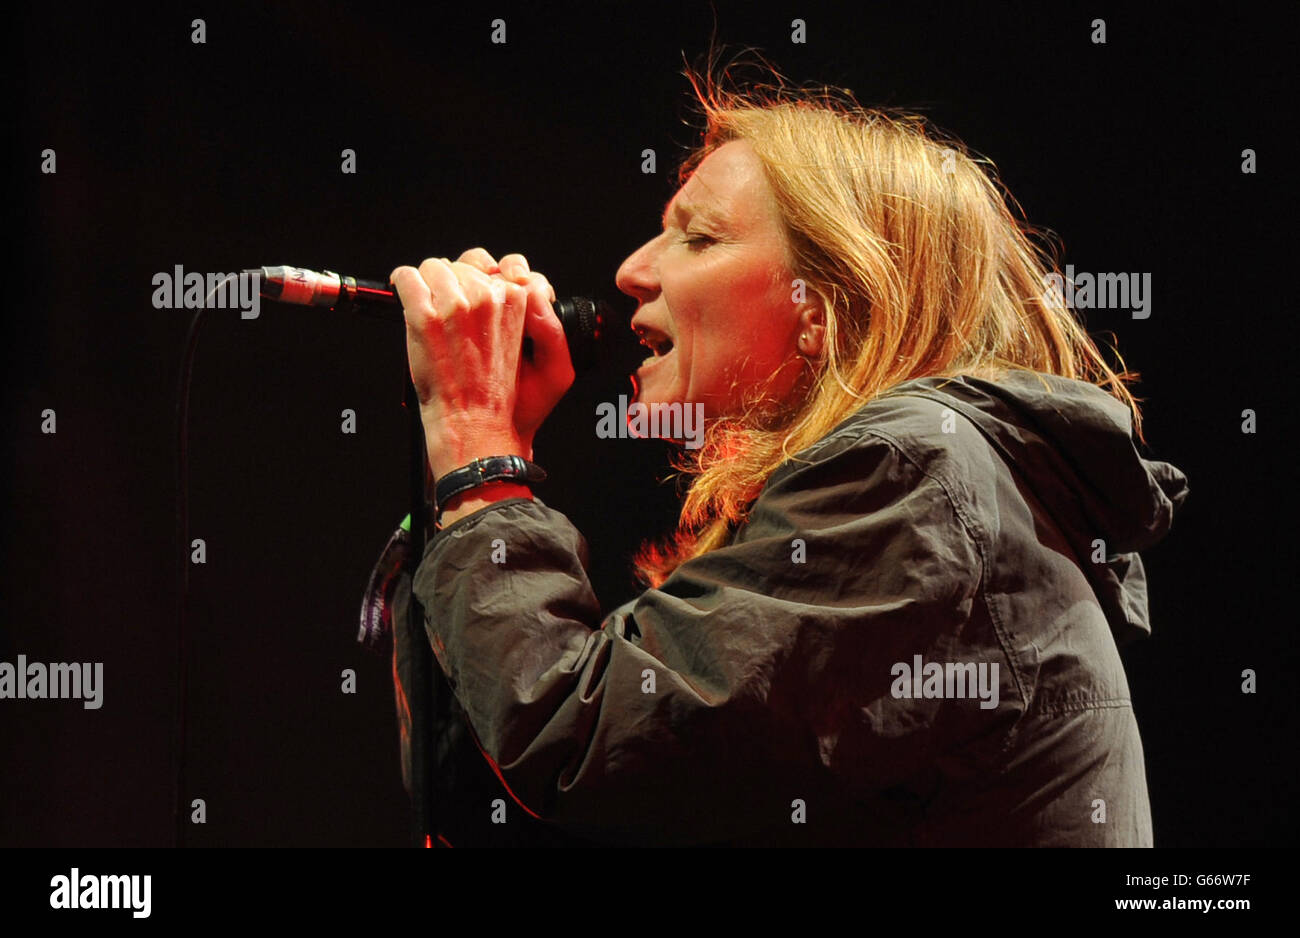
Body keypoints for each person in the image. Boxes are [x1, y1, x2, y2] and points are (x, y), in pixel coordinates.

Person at [378, 67, 1188, 847]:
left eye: (697, 236)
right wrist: (487, 460)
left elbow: (578, 744)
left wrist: (479, 451)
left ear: (825, 309)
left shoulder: (914, 478)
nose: (631, 271)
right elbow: (544, 811)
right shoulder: (919, 496)